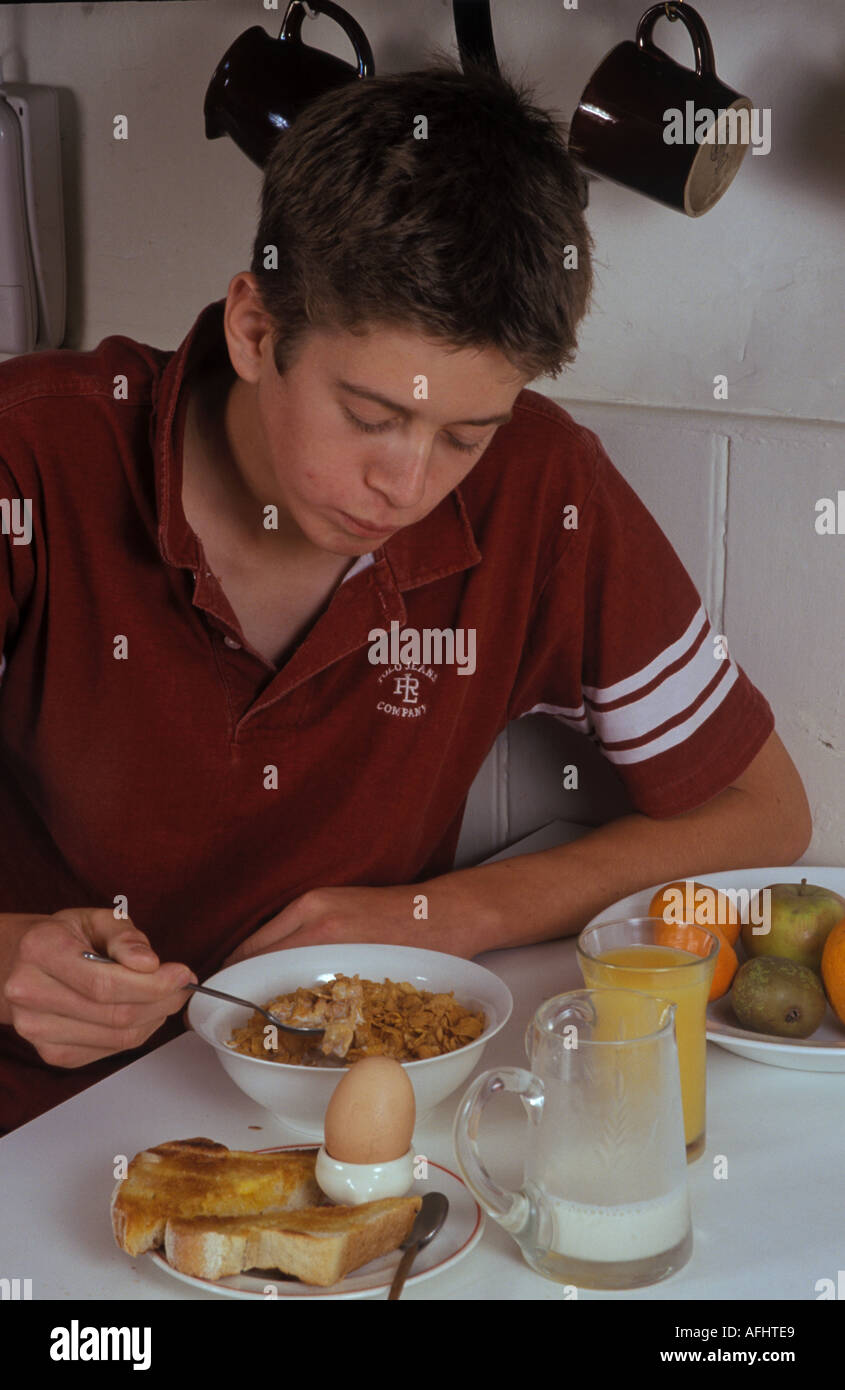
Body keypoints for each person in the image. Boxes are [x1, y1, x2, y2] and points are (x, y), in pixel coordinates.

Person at [0, 62, 810, 1134]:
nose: (410, 483)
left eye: (463, 436)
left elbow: (762, 809)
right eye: (372, 415)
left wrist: (453, 914)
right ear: (253, 329)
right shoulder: (32, 458)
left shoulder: (540, 485)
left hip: (329, 1112)